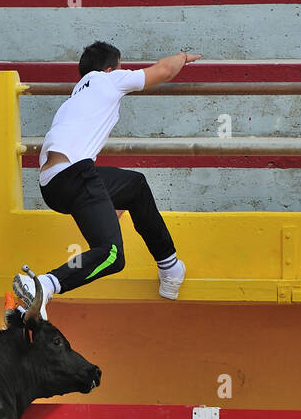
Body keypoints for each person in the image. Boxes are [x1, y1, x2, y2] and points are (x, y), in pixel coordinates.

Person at [11, 41, 201, 320]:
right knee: (111, 254)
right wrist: (184, 56)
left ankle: (170, 269)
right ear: (111, 68)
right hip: (77, 174)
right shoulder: (108, 79)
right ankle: (43, 285)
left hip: (53, 184)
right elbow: (163, 71)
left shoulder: (73, 98)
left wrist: (108, 210)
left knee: (134, 186)